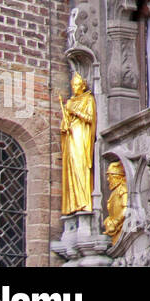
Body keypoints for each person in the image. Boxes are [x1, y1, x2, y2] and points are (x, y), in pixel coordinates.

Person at [59, 72, 96, 214]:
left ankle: (83, 201)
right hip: (71, 137)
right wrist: (65, 125)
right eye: (73, 85)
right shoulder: (70, 102)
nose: (74, 88)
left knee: (80, 165)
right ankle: (73, 204)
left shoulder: (88, 99)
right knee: (71, 167)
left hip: (82, 137)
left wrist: (74, 110)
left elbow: (90, 118)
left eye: (77, 85)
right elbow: (65, 123)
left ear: (83, 86)